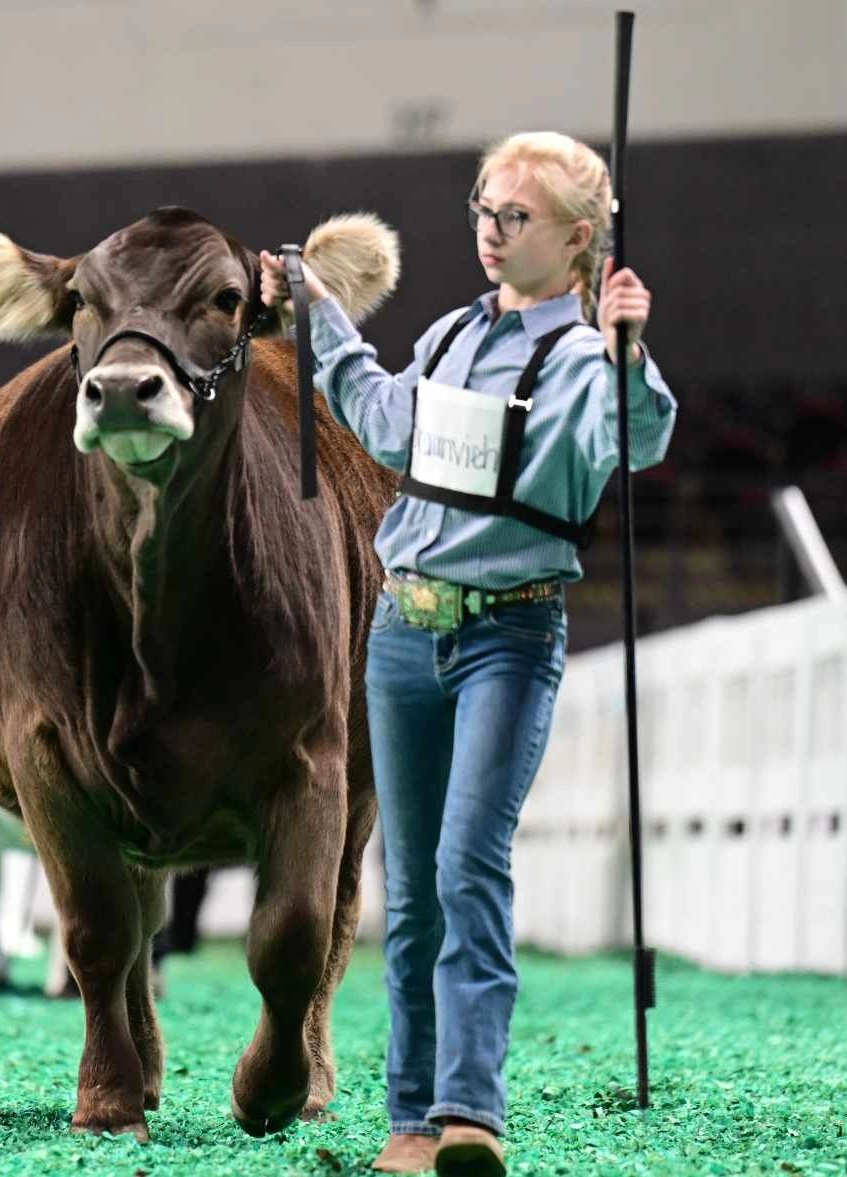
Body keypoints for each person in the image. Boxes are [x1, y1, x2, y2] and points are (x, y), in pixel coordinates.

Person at [261, 131, 677, 1175]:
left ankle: (469, 1115)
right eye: (481, 210)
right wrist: (316, 312)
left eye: (514, 217)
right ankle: (408, 1120)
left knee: (464, 865)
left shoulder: (584, 360)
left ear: (579, 239)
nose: (489, 232)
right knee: (412, 892)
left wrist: (629, 353)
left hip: (509, 631)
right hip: (402, 630)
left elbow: (633, 441)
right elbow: (385, 422)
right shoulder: (448, 335)